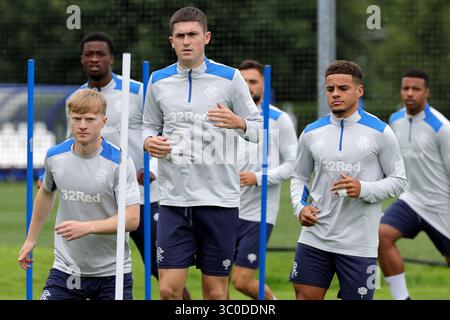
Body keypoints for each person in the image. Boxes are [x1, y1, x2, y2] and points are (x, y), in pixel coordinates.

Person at [142, 7, 262, 300]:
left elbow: (259, 129)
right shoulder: (158, 81)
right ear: (171, 41)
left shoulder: (230, 78)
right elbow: (147, 125)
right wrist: (148, 142)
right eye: (180, 35)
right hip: (173, 200)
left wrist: (239, 122)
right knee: (169, 291)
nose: (186, 41)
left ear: (206, 37)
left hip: (219, 201)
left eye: (192, 34)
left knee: (217, 295)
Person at [67, 32, 191, 299]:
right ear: (82, 59)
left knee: (163, 272)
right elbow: (71, 146)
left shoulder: (136, 91)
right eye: (89, 54)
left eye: (100, 53)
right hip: (101, 202)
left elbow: (164, 130)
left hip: (145, 197)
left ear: (111, 58)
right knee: (93, 271)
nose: (95, 59)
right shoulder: (78, 97)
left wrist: (154, 168)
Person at [289, 60, 407, 300]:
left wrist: (362, 188)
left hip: (359, 244)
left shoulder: (380, 132)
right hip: (315, 238)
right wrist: (300, 207)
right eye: (330, 89)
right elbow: (299, 176)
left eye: (343, 88)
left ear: (359, 91)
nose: (335, 94)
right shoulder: (311, 132)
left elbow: (398, 181)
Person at [18, 89, 140, 300]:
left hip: (112, 272)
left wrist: (88, 227)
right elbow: (46, 192)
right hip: (67, 268)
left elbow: (132, 219)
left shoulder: (120, 162)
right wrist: (31, 239)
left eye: (90, 119)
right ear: (70, 119)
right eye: (77, 118)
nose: (82, 125)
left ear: (104, 121)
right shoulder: (54, 156)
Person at [378, 68, 450, 300]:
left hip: (442, 206)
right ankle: (402, 299)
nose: (410, 93)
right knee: (380, 235)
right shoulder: (395, 120)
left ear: (426, 92)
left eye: (416, 89)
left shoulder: (442, 127)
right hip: (411, 200)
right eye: (405, 88)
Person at [230, 60, 297, 300]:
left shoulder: (279, 119)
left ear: (264, 85)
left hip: (258, 215)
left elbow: (293, 165)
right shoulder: (227, 117)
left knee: (241, 280)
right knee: (217, 280)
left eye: (253, 81)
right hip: (224, 209)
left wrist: (257, 178)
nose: (248, 87)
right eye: (243, 81)